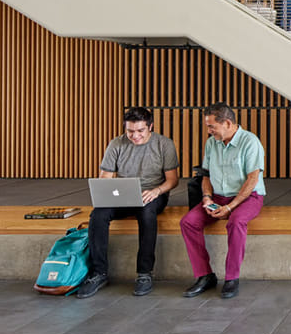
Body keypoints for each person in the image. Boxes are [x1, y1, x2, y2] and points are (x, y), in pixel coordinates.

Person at [75, 107, 179, 299]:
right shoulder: (116, 143)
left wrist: (156, 191)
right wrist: (106, 193)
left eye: (140, 131)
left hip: (153, 194)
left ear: (150, 127)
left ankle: (144, 273)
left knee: (147, 214)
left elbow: (173, 180)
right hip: (122, 194)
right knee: (98, 215)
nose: (135, 136)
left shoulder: (164, 144)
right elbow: (105, 176)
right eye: (130, 131)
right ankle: (99, 273)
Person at [179, 103, 266, 299]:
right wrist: (207, 198)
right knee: (188, 222)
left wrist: (230, 206)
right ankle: (205, 275)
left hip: (247, 197)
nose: (209, 131)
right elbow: (206, 175)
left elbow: (252, 180)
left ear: (227, 123)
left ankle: (231, 278)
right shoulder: (212, 143)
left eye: (211, 127)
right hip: (217, 196)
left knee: (236, 222)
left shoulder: (250, 142)